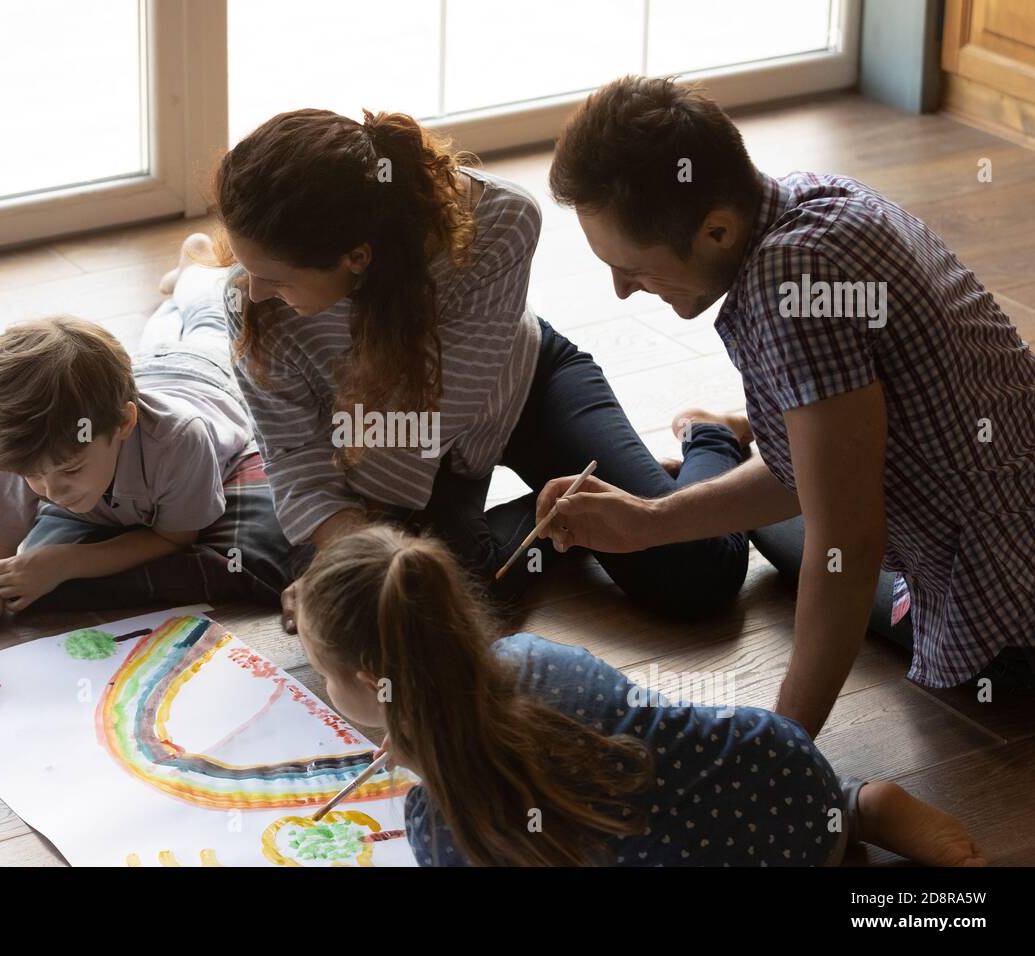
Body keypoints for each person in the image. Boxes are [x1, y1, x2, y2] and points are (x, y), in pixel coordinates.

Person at [540, 75, 1035, 737]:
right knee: (787, 518)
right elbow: (806, 481)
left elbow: (851, 545)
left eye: (634, 267)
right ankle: (749, 431)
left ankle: (734, 435)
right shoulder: (815, 197)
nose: (623, 290)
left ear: (716, 229)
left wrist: (782, 743)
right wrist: (645, 522)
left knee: (807, 545)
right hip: (1007, 506)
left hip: (1006, 601)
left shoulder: (789, 289)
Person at [212, 107, 751, 635]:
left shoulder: (499, 221)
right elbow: (291, 453)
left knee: (696, 577)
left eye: (275, 278)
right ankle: (571, 516)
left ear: (356, 257)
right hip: (382, 443)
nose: (254, 290)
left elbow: (431, 420)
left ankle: (711, 436)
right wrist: (345, 545)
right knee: (417, 608)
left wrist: (365, 557)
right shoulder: (251, 300)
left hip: (517, 386)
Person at [296, 524, 986, 867]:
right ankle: (861, 804)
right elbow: (531, 727)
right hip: (782, 779)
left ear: (367, 682)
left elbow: (503, 771)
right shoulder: (534, 657)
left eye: (323, 674)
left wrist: (431, 759)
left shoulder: (441, 822)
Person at [0, 243, 293, 683]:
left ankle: (194, 261)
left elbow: (174, 535)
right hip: (147, 366)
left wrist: (66, 562)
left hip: (206, 374)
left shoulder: (181, 441)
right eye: (34, 476)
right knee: (162, 329)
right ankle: (181, 283)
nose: (51, 492)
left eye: (69, 470)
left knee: (210, 310)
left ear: (123, 423)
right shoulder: (28, 453)